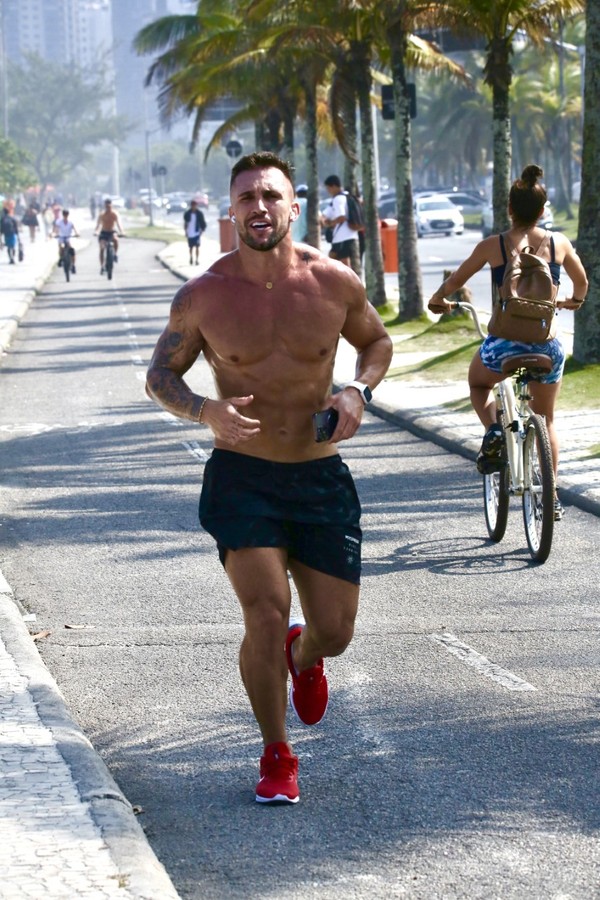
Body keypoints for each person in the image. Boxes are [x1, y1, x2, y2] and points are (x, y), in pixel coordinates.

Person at [146, 151, 393, 804]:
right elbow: (159, 375)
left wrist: (357, 392)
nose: (260, 207)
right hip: (242, 478)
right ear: (231, 211)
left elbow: (377, 342)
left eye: (271, 196)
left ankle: (304, 655)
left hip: (319, 478)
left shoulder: (334, 281)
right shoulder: (203, 295)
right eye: (247, 198)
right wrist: (206, 410)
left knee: (335, 631)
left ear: (294, 206)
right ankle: (276, 753)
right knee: (263, 612)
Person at [428, 164, 588, 521]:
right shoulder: (559, 242)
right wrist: (573, 302)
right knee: (546, 419)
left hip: (502, 347)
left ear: (509, 209)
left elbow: (457, 278)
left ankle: (495, 431)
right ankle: (552, 495)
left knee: (478, 381)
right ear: (544, 210)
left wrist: (439, 298)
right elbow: (582, 282)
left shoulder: (493, 245)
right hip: (547, 348)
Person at [321, 174, 359, 267]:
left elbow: (342, 217)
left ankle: (347, 280)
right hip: (350, 234)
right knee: (342, 259)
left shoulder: (338, 199)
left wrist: (330, 223)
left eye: (328, 188)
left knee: (339, 260)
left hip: (341, 236)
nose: (328, 191)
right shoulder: (347, 195)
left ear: (333, 186)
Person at [94, 198, 125, 274]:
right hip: (104, 232)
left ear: (111, 206)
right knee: (102, 248)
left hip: (112, 231)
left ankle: (115, 254)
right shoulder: (102, 215)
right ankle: (102, 266)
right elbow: (98, 225)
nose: (108, 208)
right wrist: (96, 232)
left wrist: (122, 231)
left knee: (116, 239)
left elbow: (119, 224)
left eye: (109, 206)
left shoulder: (114, 214)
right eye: (106, 206)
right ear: (105, 206)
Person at [183, 198, 207, 265]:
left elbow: (202, 222)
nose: (194, 207)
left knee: (197, 246)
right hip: (190, 233)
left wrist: (202, 230)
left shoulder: (199, 214)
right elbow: (185, 223)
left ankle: (196, 260)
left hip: (197, 233)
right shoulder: (187, 214)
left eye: (195, 205)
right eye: (193, 205)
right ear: (191, 206)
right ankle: (191, 257)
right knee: (190, 247)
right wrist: (186, 232)